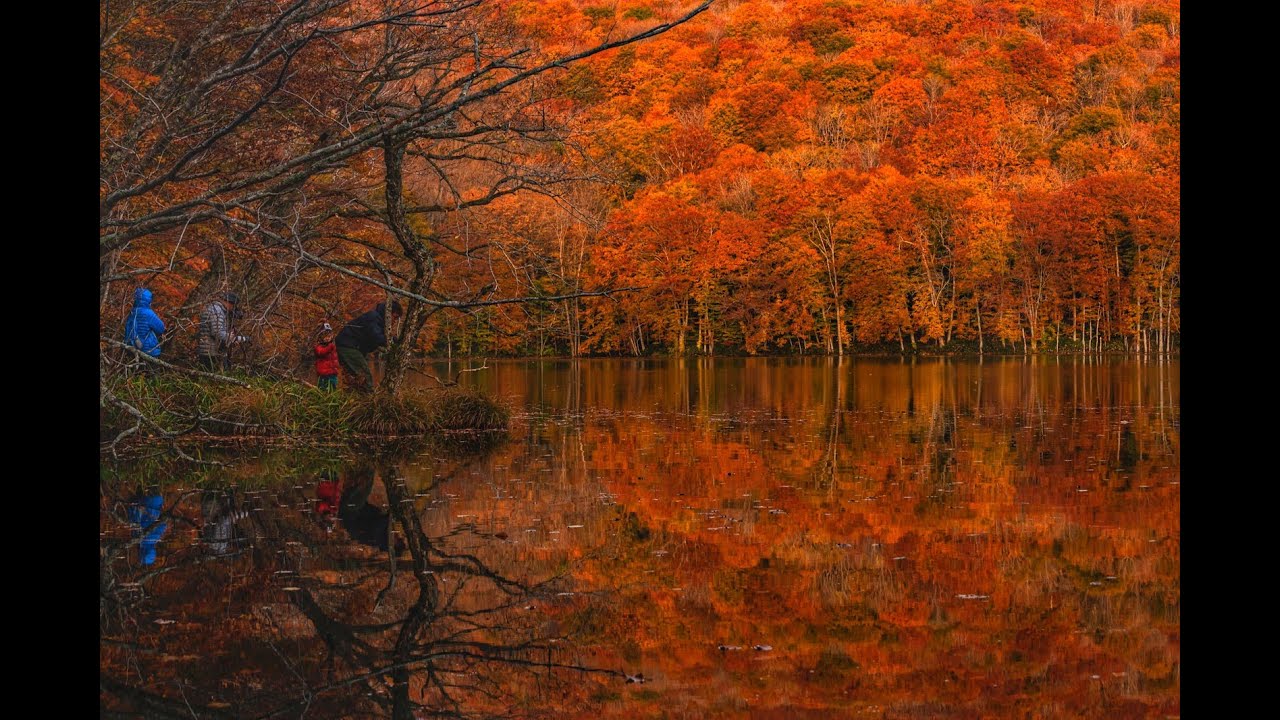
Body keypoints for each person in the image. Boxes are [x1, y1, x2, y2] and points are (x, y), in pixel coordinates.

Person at [335, 300, 402, 392]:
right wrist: (394, 341)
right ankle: (368, 398)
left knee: (353, 379)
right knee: (365, 376)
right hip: (348, 346)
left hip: (350, 347)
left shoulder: (378, 320)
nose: (394, 321)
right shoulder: (373, 318)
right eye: (395, 317)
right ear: (388, 314)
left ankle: (355, 397)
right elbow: (377, 337)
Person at [197, 292, 247, 371]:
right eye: (233, 305)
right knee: (211, 375)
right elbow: (217, 333)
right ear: (229, 302)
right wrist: (237, 338)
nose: (232, 308)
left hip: (210, 350)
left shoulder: (216, 309)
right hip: (210, 352)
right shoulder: (217, 311)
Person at [123, 288, 166, 371]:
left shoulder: (132, 312)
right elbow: (161, 328)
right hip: (148, 350)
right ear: (148, 299)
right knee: (152, 374)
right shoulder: (148, 313)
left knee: (135, 374)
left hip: (131, 348)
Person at [126, 491, 169, 566]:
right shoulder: (137, 537)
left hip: (159, 498)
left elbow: (164, 521)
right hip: (143, 499)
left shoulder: (159, 536)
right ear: (140, 552)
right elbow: (134, 515)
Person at [314, 322, 339, 391]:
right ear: (320, 337)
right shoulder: (319, 347)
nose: (327, 338)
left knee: (333, 388)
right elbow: (321, 352)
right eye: (325, 336)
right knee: (323, 389)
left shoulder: (332, 346)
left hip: (333, 373)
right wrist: (330, 347)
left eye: (329, 336)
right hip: (323, 374)